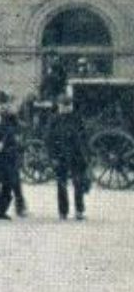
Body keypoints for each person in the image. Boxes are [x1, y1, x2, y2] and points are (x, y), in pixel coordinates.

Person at [46, 92, 90, 220]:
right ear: (59, 106)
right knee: (61, 184)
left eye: (68, 105)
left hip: (76, 156)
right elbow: (48, 140)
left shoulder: (77, 118)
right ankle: (63, 211)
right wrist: (53, 156)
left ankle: (79, 211)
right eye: (63, 105)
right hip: (60, 156)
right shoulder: (53, 120)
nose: (66, 108)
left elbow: (84, 137)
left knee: (78, 183)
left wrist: (85, 154)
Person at [0, 90, 23, 220]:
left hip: (8, 154)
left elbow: (13, 130)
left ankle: (1, 211)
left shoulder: (10, 117)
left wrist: (4, 143)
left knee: (8, 183)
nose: (0, 106)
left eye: (2, 103)